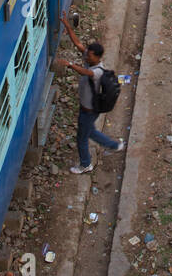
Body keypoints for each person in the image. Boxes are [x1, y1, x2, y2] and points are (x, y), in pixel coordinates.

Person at [53, 14, 124, 174]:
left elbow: (85, 72)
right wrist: (67, 26)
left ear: (98, 57)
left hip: (89, 110)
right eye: (88, 53)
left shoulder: (97, 71)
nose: (87, 55)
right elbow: (77, 43)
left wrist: (70, 64)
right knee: (89, 132)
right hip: (87, 109)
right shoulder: (90, 59)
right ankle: (114, 146)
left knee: (82, 138)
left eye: (90, 55)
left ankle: (86, 164)